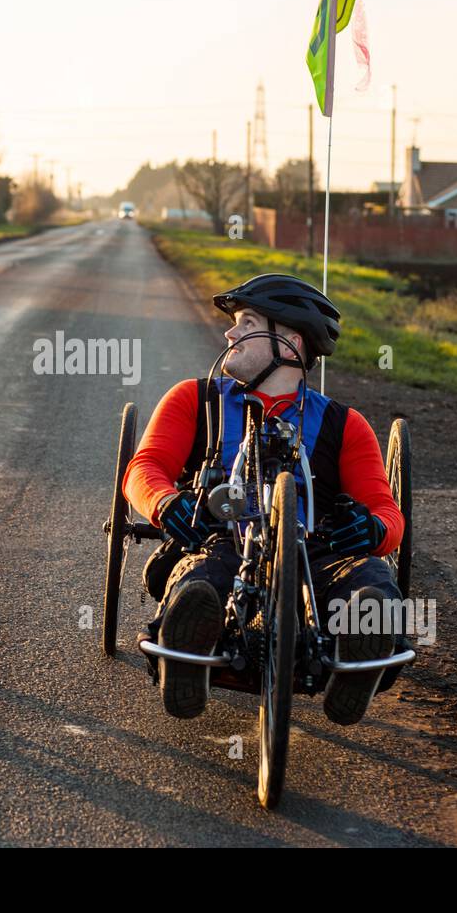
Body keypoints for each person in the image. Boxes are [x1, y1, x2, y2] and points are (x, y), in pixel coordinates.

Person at [124, 274, 405, 724]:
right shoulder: (195, 400)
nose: (229, 334)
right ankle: (186, 659)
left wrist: (371, 529)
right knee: (200, 581)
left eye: (246, 323)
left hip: (318, 556)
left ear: (289, 343)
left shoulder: (344, 425)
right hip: (219, 542)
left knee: (370, 578)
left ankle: (355, 667)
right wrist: (165, 502)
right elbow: (144, 468)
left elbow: (387, 512)